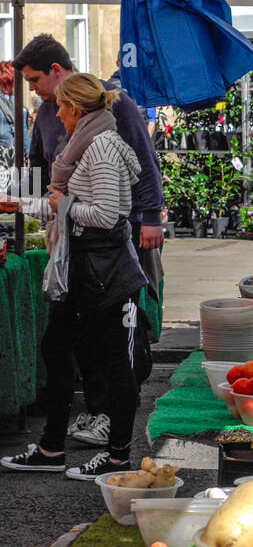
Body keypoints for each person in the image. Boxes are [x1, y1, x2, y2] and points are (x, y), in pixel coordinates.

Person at [13, 34, 164, 446]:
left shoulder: (113, 112)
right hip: (75, 244)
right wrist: (35, 207)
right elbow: (45, 170)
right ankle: (82, 429)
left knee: (112, 339)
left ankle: (114, 440)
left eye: (33, 80)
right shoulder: (47, 113)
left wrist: (151, 218)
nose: (33, 91)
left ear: (57, 74)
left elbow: (137, 171)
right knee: (77, 339)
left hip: (109, 244)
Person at [0, 74, 146, 480]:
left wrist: (63, 204)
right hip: (80, 271)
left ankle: (118, 459)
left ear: (77, 109)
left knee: (113, 364)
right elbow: (67, 208)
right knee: (56, 349)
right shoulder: (86, 143)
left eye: (61, 107)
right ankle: (51, 449)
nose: (57, 113)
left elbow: (107, 216)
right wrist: (20, 204)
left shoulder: (99, 148)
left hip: (103, 274)